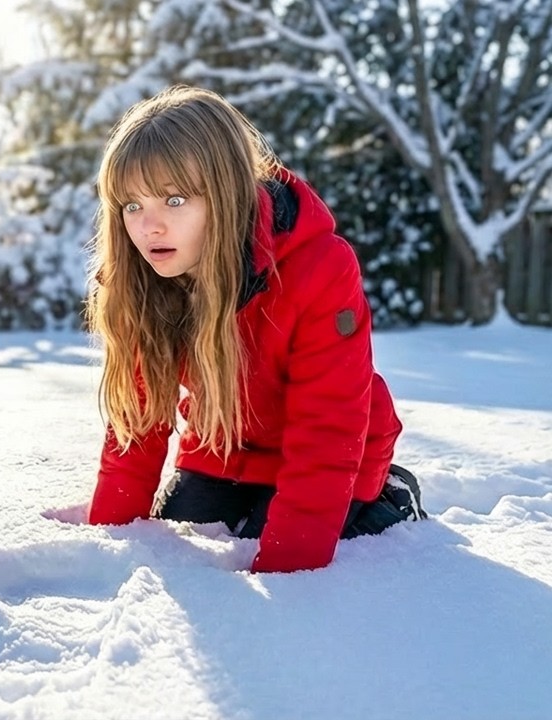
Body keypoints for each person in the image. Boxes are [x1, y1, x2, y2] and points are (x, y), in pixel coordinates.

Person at [84, 85, 426, 573]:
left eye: (174, 199)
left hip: (334, 449)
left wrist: (283, 581)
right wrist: (106, 549)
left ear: (226, 196)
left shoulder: (319, 268)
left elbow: (327, 432)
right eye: (132, 205)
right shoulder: (146, 280)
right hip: (225, 442)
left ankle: (392, 495)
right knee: (184, 526)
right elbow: (136, 426)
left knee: (279, 534)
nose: (148, 226)